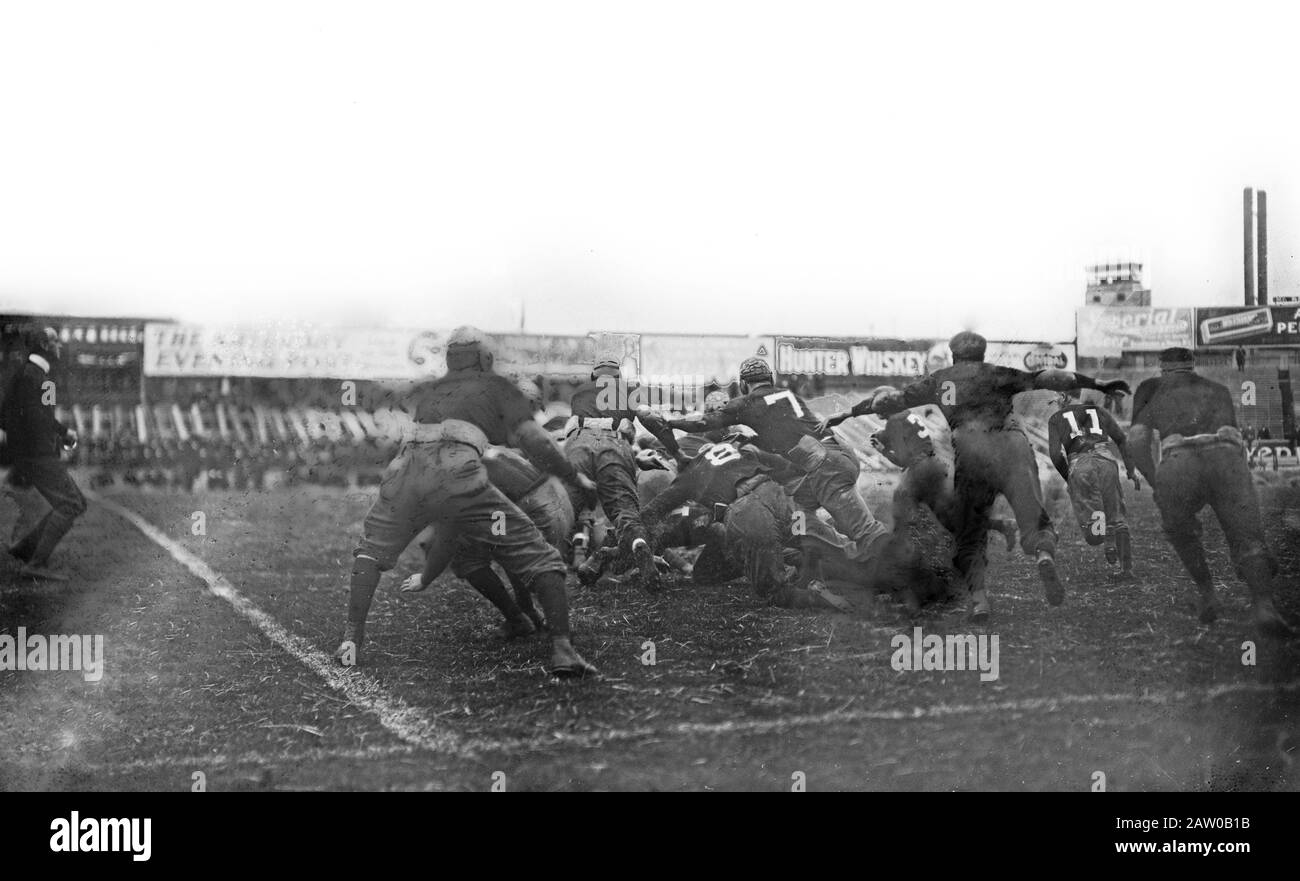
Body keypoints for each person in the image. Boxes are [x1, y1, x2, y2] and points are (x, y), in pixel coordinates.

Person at [335, 326, 599, 677]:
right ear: (486, 359)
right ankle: (563, 651)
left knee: (370, 553)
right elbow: (536, 442)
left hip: (403, 471)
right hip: (459, 473)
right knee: (542, 559)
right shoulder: (496, 386)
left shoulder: (432, 393)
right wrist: (575, 477)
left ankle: (352, 639)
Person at [821, 331, 1129, 622]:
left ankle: (980, 599)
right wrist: (1099, 384)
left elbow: (885, 402)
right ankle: (1042, 555)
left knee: (971, 531)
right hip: (1012, 443)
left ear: (954, 356)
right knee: (1034, 519)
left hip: (970, 447)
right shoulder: (998, 372)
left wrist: (846, 415)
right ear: (982, 354)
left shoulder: (940, 380)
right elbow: (1049, 378)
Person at [1127, 347, 1293, 636]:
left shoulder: (1150, 387)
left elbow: (1137, 441)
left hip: (1179, 459)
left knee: (1180, 529)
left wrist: (1157, 483)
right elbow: (1236, 443)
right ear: (1192, 365)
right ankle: (1264, 605)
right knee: (1246, 533)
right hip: (1225, 456)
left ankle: (1208, 594)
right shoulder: (1217, 389)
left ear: (1162, 367)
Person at [656, 357, 888, 561]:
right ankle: (841, 556)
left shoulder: (748, 403)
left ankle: (903, 571)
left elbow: (702, 423)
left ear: (745, 384)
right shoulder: (788, 396)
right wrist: (754, 439)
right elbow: (787, 435)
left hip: (824, 463)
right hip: (833, 456)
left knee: (867, 532)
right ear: (770, 378)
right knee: (797, 511)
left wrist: (670, 422)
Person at [0, 327, 86, 580]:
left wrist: (23, 443)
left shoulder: (28, 373)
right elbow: (41, 417)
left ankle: (24, 550)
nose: (59, 345)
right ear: (45, 346)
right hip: (38, 453)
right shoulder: (40, 377)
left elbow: (6, 415)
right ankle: (35, 563)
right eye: (55, 341)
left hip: (31, 452)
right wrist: (60, 434)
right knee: (70, 504)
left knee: (76, 502)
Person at [1047, 388, 1139, 581]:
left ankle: (1106, 537)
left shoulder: (1056, 418)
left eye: (1056, 397)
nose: (1055, 402)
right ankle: (1126, 569)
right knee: (1117, 515)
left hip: (1080, 465)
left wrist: (1068, 477)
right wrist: (1131, 470)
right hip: (1107, 461)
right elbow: (1122, 439)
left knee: (1093, 532)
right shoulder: (1099, 411)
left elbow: (1056, 455)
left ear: (1063, 396)